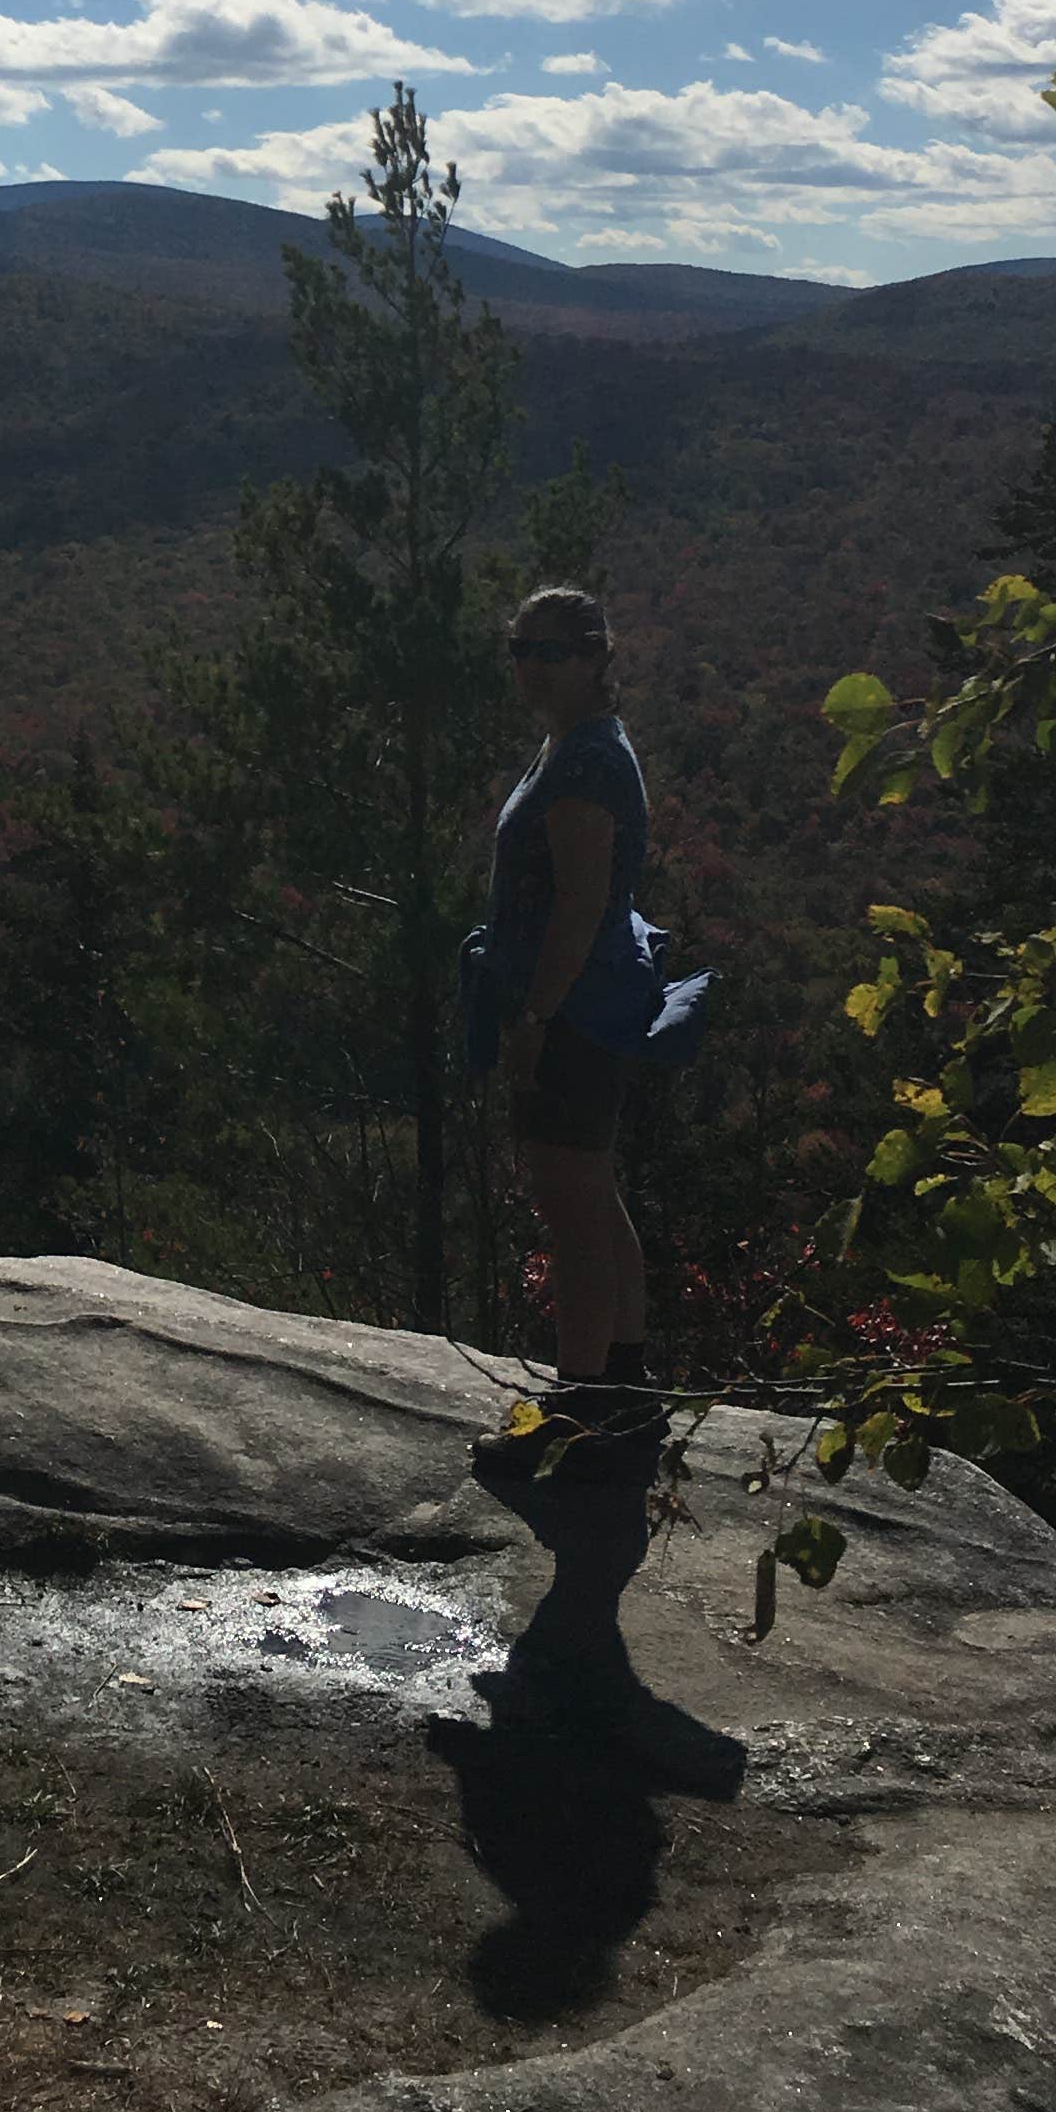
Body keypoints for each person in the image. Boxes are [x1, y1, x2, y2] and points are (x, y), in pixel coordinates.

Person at [480, 586, 663, 1470]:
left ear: (597, 656)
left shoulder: (585, 762)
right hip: (596, 1005)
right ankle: (625, 1389)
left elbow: (583, 902)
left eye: (549, 651)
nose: (530, 667)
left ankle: (580, 1408)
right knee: (594, 1194)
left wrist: (535, 1018)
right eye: (519, 649)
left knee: (571, 1209)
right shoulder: (573, 745)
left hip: (576, 1012)